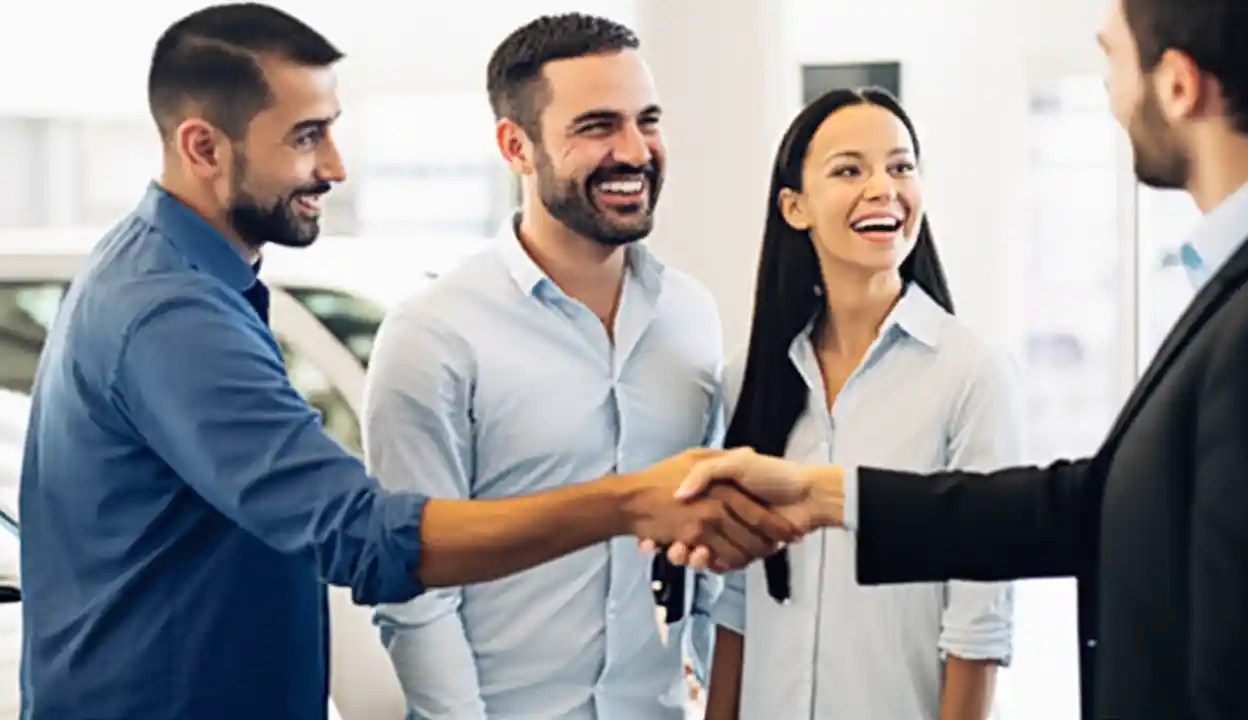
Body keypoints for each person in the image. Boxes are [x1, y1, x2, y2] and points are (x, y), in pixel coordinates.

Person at [16, 5, 798, 719]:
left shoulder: (195, 284)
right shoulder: (170, 313)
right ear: (202, 148)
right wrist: (628, 503)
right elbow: (363, 537)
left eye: (331, 129)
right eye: (304, 136)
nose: (335, 165)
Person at [670, 0, 1248, 718]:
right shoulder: (1235, 284)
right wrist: (825, 495)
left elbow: (995, 613)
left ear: (1177, 85)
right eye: (848, 169)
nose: (1110, 99)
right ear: (794, 206)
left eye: (1112, 63)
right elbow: (1090, 505)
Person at [360, 13, 743, 720]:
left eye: (646, 120)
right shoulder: (433, 334)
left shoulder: (691, 316)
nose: (634, 151)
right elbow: (415, 590)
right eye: (597, 127)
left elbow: (706, 558)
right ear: (517, 146)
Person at [694, 88, 1017, 720]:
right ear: (795, 207)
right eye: (850, 169)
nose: (884, 188)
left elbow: (980, 620)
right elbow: (735, 601)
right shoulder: (747, 377)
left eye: (901, 167)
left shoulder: (970, 373)